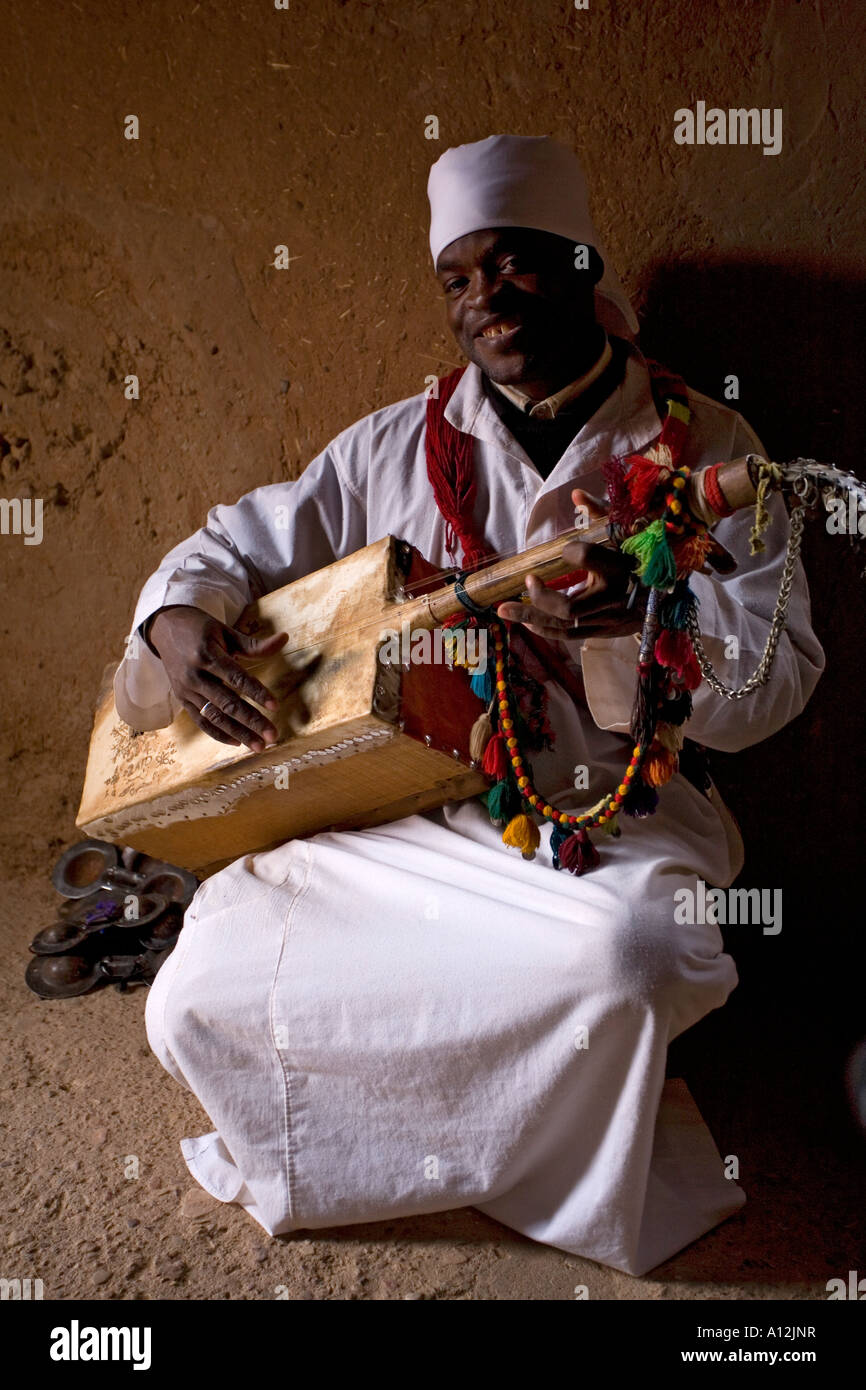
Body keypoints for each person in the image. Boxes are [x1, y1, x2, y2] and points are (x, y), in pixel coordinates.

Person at [115, 135, 824, 1276]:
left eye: (513, 264)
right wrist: (177, 618)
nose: (484, 299)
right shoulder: (395, 444)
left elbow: (773, 685)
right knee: (197, 987)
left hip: (610, 816)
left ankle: (553, 1178)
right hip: (405, 819)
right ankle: (366, 1157)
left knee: (630, 962)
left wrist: (644, 638)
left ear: (580, 262)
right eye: (457, 277)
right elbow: (228, 544)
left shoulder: (704, 448)